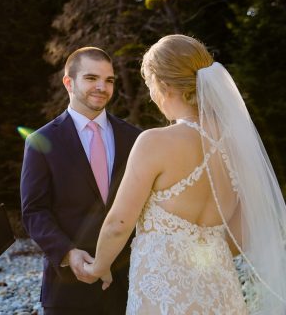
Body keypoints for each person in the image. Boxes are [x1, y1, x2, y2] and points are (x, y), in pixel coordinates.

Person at [84, 34, 286, 313]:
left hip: (166, 292)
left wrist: (99, 265)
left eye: (150, 86)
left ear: (164, 86)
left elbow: (118, 223)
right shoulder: (238, 144)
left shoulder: (154, 142)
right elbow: (244, 231)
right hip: (221, 289)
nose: (152, 96)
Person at [21, 47, 142, 314]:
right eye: (91, 78)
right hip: (68, 289)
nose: (102, 87)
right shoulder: (41, 141)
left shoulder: (135, 138)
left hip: (129, 284)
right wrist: (67, 253)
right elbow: (34, 212)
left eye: (109, 80)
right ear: (69, 82)